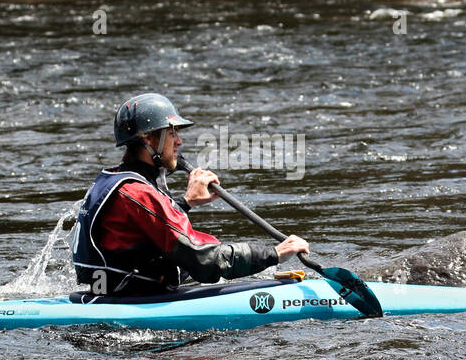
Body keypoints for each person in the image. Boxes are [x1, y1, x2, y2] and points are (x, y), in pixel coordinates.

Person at [71, 93, 309, 296]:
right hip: (131, 298)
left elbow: (141, 232)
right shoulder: (137, 192)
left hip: (115, 290)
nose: (179, 141)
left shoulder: (114, 179)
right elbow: (204, 260)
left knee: (201, 251)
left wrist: (186, 202)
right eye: (172, 132)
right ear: (148, 138)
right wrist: (274, 254)